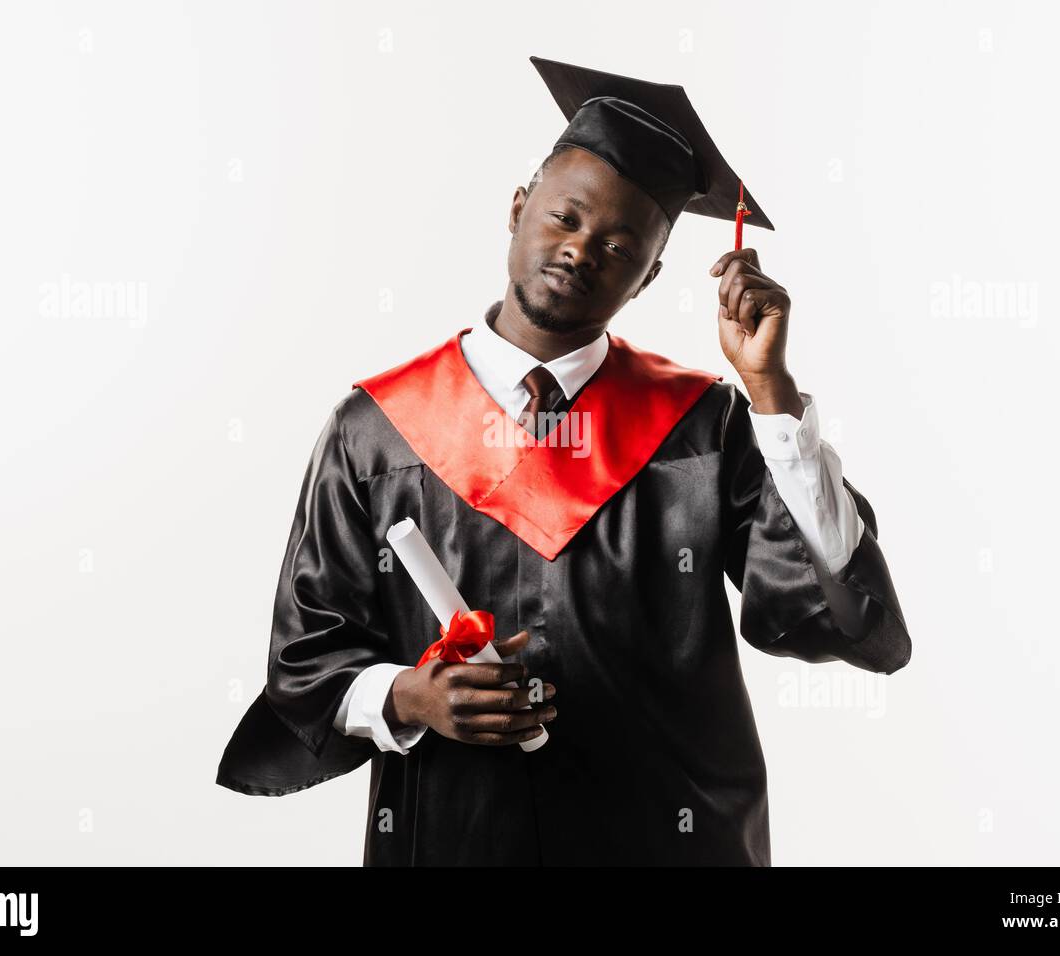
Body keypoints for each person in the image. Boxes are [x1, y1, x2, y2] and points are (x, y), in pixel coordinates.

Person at [215, 56, 911, 866]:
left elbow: (839, 615)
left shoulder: (704, 425)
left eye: (620, 247)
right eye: (566, 218)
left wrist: (771, 394)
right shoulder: (376, 430)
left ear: (649, 277)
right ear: (518, 208)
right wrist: (413, 696)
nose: (582, 251)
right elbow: (307, 660)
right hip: (458, 837)